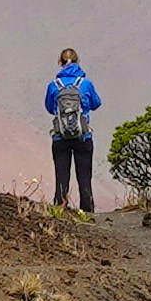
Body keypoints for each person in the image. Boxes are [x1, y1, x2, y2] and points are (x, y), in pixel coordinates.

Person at [44, 48, 104, 214]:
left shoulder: (53, 86)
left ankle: (59, 210)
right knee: (84, 177)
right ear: (78, 61)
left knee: (62, 176)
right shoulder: (86, 84)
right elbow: (96, 103)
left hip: (60, 138)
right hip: (83, 137)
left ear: (60, 63)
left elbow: (50, 108)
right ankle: (88, 212)